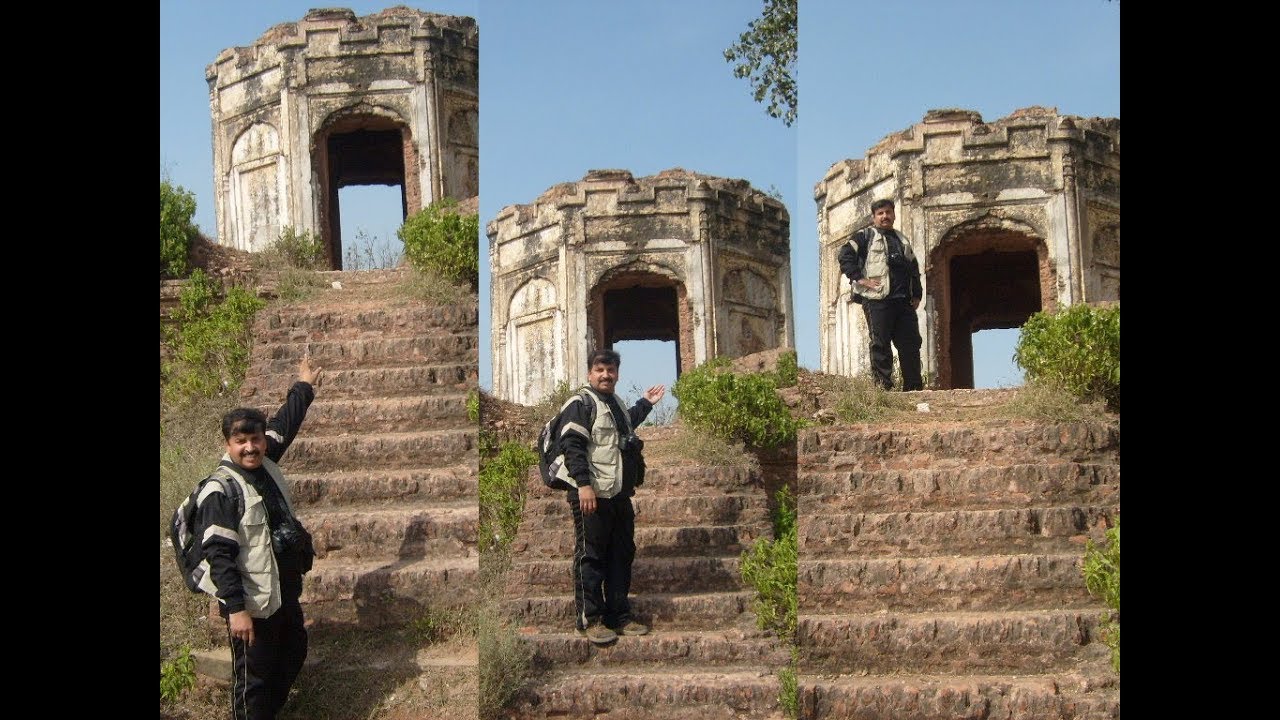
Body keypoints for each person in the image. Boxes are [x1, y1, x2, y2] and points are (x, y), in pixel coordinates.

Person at [193, 356, 322, 719]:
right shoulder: (220, 491)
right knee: (253, 679)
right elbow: (219, 555)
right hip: (251, 601)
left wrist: (304, 385)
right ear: (228, 444)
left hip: (280, 590)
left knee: (294, 650)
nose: (250, 447)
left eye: (255, 439)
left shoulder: (265, 460)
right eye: (241, 441)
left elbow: (285, 423)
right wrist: (236, 610)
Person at [556, 349, 665, 645]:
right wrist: (583, 485)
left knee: (621, 554)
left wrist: (645, 404)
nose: (606, 375)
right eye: (600, 370)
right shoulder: (580, 403)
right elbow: (572, 444)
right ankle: (590, 620)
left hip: (618, 494)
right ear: (589, 373)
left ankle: (619, 615)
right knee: (591, 556)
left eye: (611, 370)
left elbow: (621, 430)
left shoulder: (614, 403)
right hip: (592, 494)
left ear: (617, 373)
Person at [838, 198, 925, 391]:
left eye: (888, 212)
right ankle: (883, 389)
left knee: (910, 345)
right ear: (874, 217)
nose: (885, 216)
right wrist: (860, 279)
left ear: (894, 214)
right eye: (880, 213)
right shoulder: (865, 236)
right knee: (880, 344)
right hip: (877, 300)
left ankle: (914, 389)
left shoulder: (902, 240)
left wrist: (917, 294)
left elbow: (913, 268)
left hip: (903, 302)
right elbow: (844, 255)